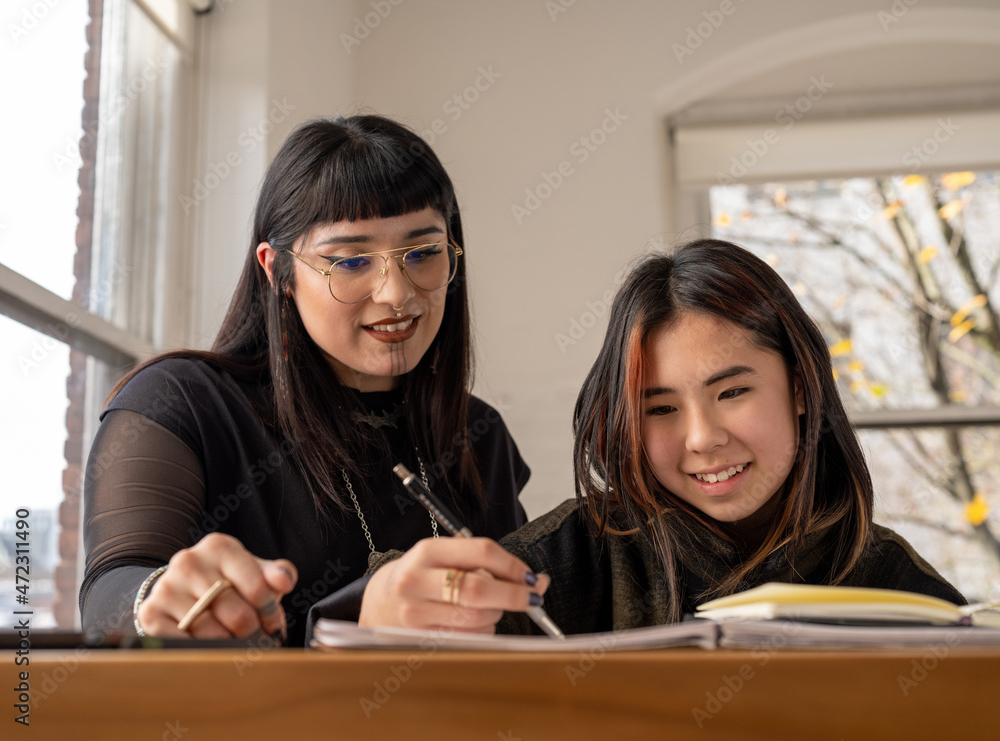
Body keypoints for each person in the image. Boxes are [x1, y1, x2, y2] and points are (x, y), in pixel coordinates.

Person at [354, 239, 964, 636]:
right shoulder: (571, 560)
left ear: (801, 388)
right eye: (661, 408)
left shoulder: (904, 592)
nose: (702, 438)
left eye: (732, 393)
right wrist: (395, 606)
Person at [80, 115, 534, 647]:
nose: (396, 294)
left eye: (422, 253)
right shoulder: (181, 403)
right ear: (278, 272)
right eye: (350, 260)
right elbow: (110, 595)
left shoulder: (479, 433)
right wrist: (159, 594)